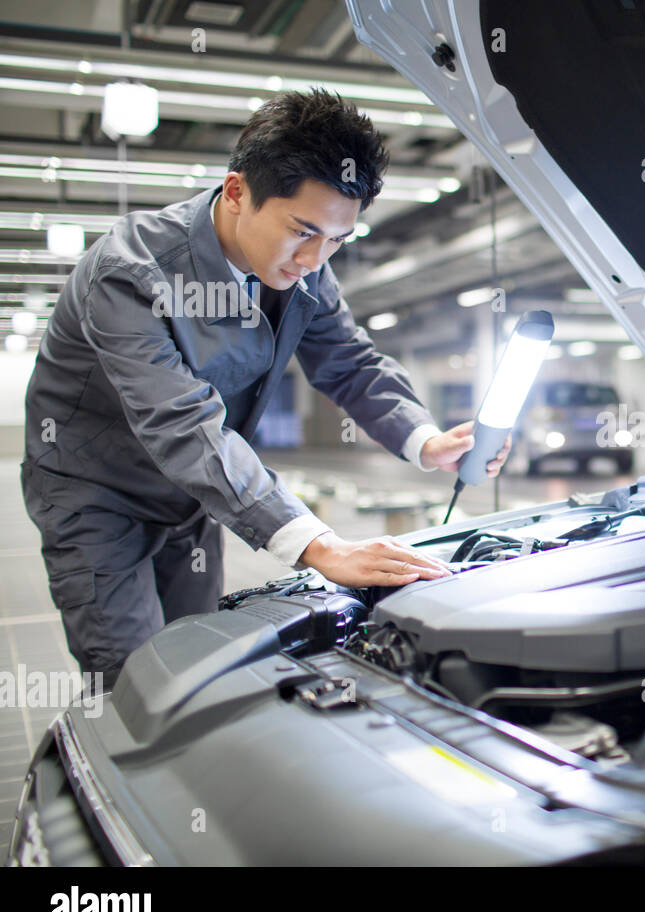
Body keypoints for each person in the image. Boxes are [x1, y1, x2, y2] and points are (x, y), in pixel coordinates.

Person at [20, 89, 509, 688]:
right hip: (97, 497)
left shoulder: (307, 266)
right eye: (302, 231)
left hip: (191, 498)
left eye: (336, 239)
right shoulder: (129, 273)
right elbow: (181, 424)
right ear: (236, 192)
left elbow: (348, 361)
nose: (314, 258)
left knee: (200, 665)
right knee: (135, 685)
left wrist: (425, 439)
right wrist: (319, 545)